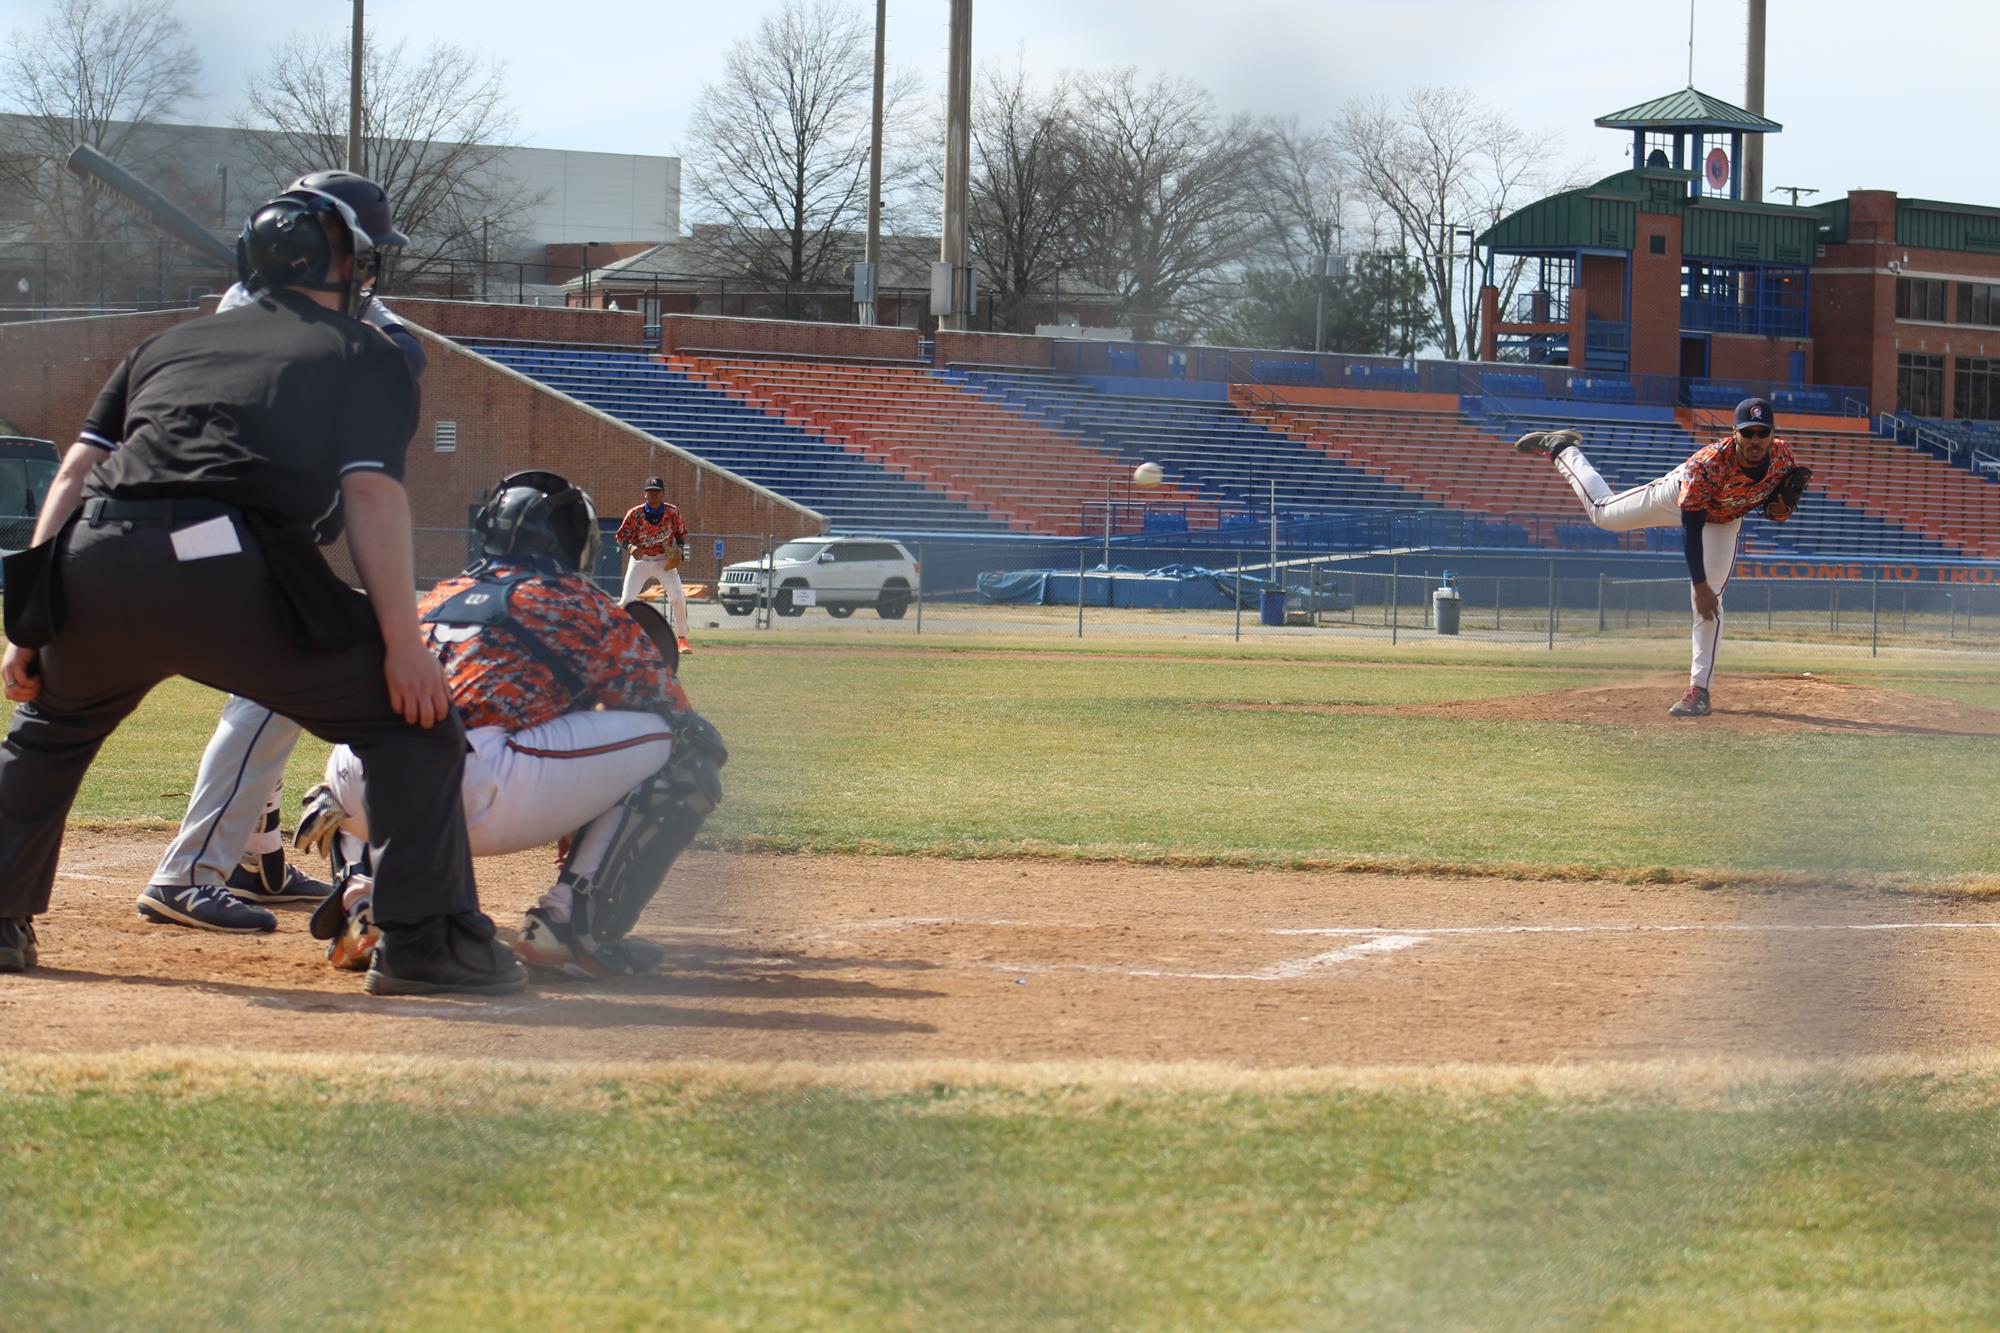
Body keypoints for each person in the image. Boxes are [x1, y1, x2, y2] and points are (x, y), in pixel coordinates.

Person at [0, 174, 524, 996]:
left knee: (50, 728)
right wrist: (401, 645)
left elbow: (76, 470)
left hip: (95, 556)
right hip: (227, 562)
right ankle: (425, 941)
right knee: (412, 723)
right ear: (344, 264)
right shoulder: (366, 353)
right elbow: (372, 497)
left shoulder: (163, 346)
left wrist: (29, 625)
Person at [295, 470, 726, 979]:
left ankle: (361, 898)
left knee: (371, 745)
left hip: (357, 786)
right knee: (684, 744)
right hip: (471, 791)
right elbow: (671, 711)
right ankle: (568, 924)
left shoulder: (439, 593)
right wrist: (594, 800)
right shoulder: (575, 600)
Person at [136, 205, 429, 936]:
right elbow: (395, 358)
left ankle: (254, 855)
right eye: (360, 254)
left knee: (275, 680)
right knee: (283, 680)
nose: (367, 269)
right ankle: (190, 871)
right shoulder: (256, 311)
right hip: (210, 530)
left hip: (233, 531)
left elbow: (402, 351)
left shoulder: (318, 302)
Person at [1514, 396, 1807, 717]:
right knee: (1604, 514)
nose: (1755, 440)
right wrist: (1699, 584)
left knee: (1710, 606)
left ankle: (1699, 690)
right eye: (1747, 432)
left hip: (1724, 518)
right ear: (1734, 433)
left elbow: (1772, 509)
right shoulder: (1708, 465)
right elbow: (1690, 526)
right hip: (1679, 497)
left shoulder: (1782, 458)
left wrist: (1781, 510)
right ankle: (1562, 449)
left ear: (1771, 433)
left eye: (1761, 432)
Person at [615, 475, 692, 655]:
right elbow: (621, 537)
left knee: (677, 597)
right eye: (650, 492)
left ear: (663, 493)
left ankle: (682, 639)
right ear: (645, 495)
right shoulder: (635, 514)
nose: (653, 495)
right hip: (640, 561)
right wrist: (631, 547)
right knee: (627, 600)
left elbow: (680, 534)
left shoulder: (673, 512)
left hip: (664, 561)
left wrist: (679, 550)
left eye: (657, 492)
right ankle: (611, 632)